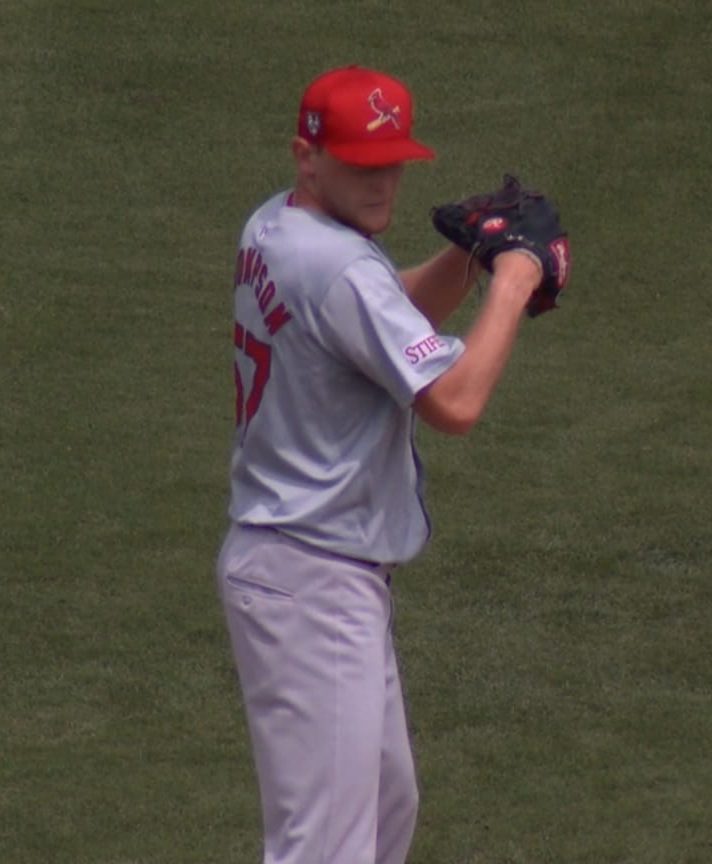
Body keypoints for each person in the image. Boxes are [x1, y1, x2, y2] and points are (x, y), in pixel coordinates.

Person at [216, 64, 553, 864]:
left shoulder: (276, 226)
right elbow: (455, 402)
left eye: (392, 160)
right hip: (312, 578)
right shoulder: (337, 266)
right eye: (362, 163)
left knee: (386, 807)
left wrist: (467, 257)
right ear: (307, 154)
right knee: (326, 849)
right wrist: (513, 280)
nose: (382, 182)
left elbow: (371, 319)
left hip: (305, 568)